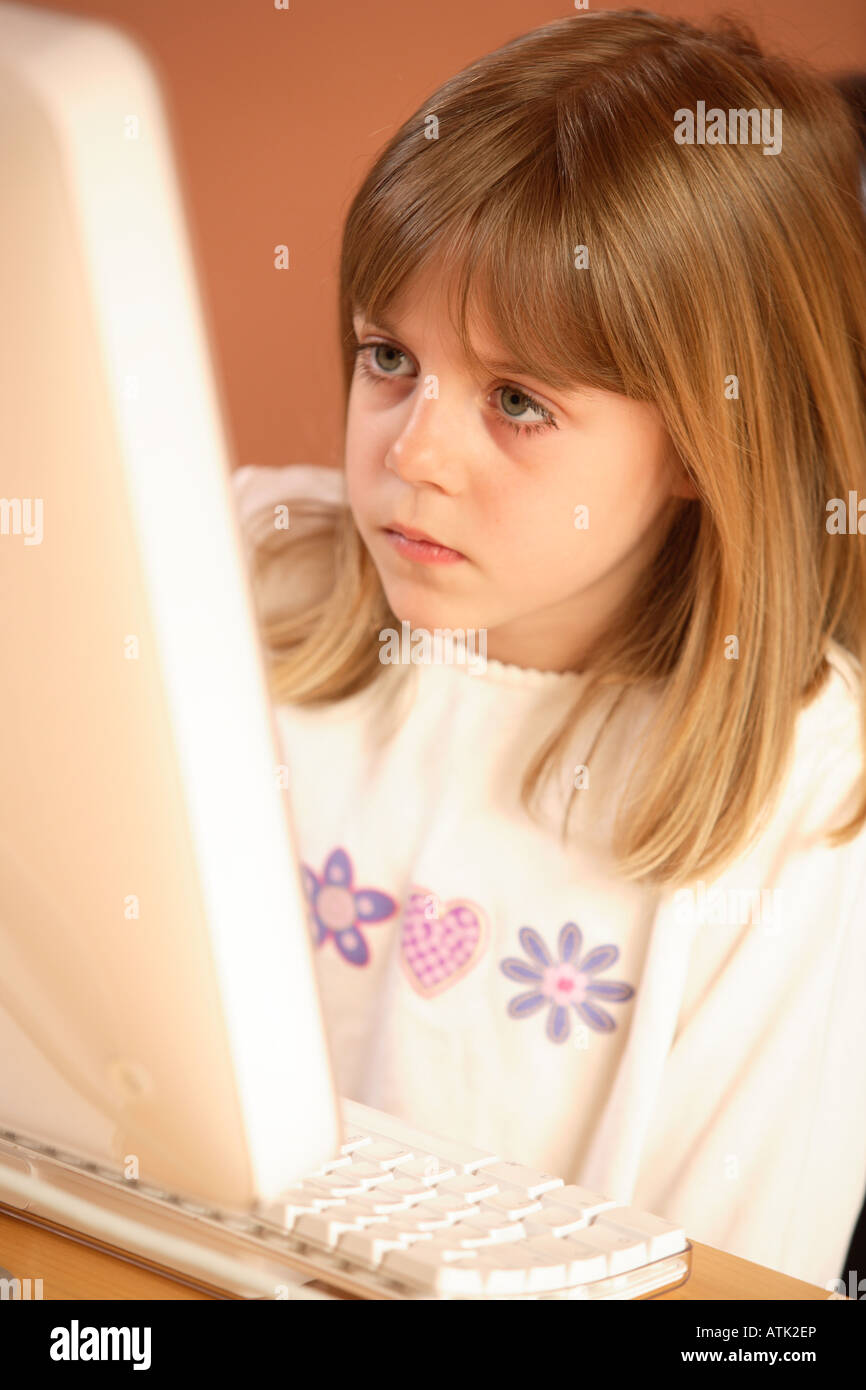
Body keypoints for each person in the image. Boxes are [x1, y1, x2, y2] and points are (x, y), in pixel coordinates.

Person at [233, 9, 866, 1289]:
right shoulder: (236, 564)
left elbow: (745, 1291)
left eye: (518, 400)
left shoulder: (803, 789)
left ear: (703, 444)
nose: (412, 453)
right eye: (388, 358)